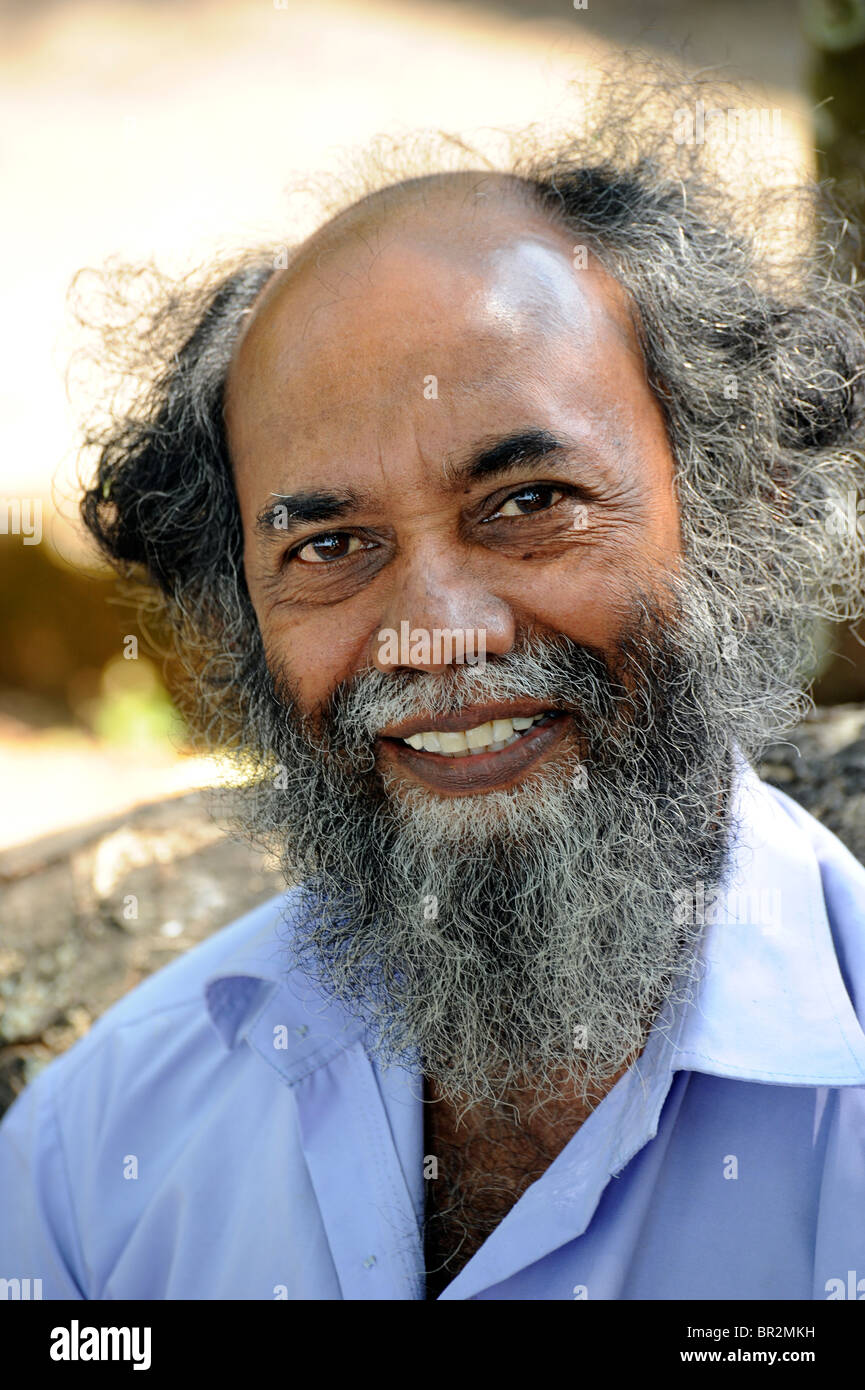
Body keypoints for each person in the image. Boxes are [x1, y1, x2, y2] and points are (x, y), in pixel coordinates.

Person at [3, 75, 865, 1300]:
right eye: (331, 547)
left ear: (736, 510)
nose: (436, 636)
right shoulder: (95, 1158)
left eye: (529, 503)